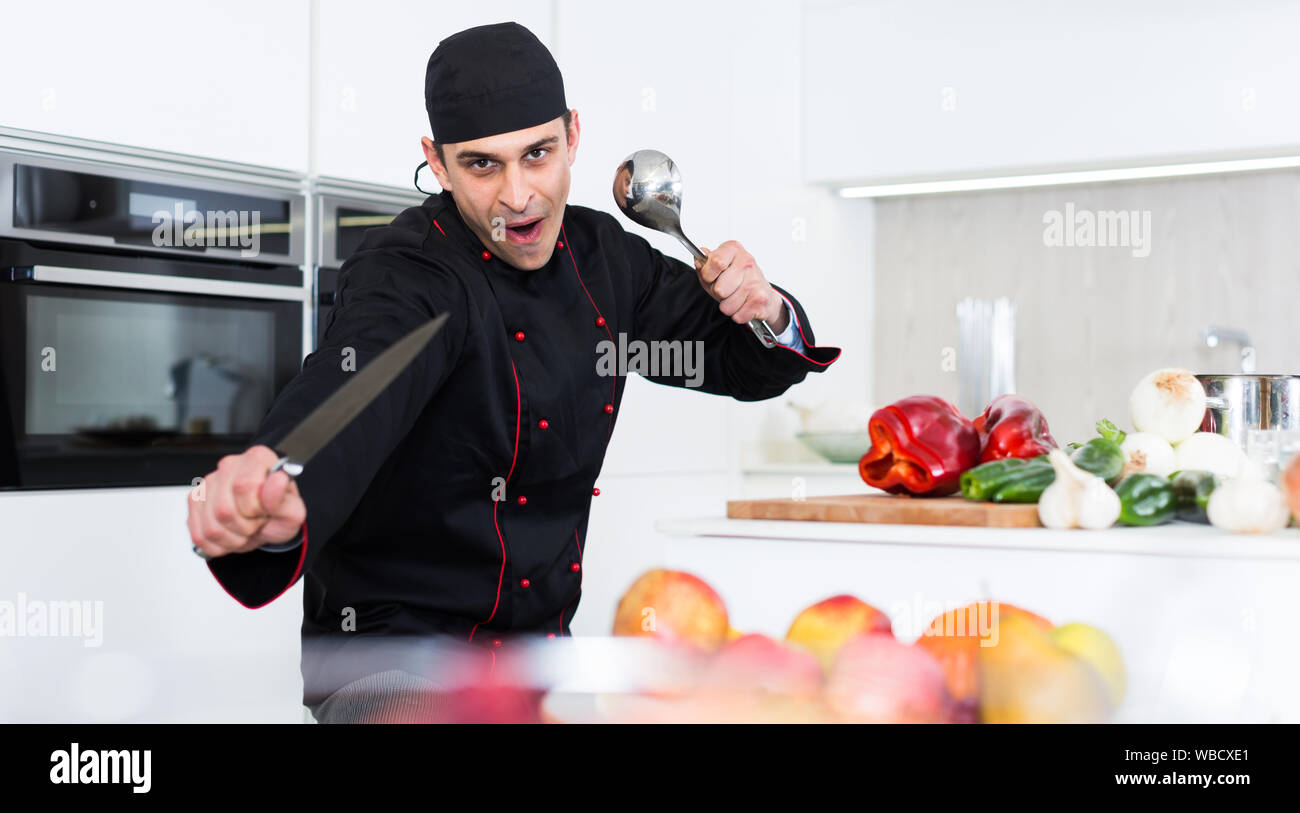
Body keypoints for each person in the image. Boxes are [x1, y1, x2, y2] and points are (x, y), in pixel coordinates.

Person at [186, 21, 840, 722]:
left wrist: (764, 308)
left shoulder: (608, 259)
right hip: (393, 662)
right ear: (437, 164)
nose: (519, 195)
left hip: (538, 665)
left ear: (574, 135)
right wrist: (281, 473)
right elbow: (360, 377)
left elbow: (742, 358)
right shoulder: (410, 271)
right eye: (482, 165)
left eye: (538, 154)